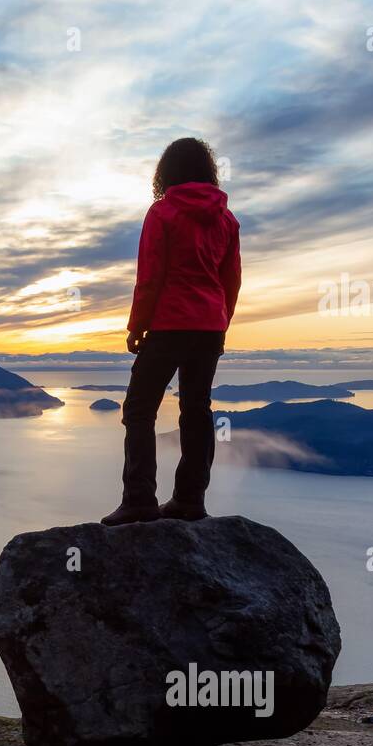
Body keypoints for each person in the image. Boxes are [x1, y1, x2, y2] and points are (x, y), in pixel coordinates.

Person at [102, 137, 241, 526]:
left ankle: (139, 500)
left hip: (169, 323)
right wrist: (221, 324)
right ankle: (190, 500)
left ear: (167, 173)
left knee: (139, 409)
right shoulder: (227, 219)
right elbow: (231, 281)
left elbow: (150, 276)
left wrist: (137, 326)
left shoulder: (162, 214)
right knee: (196, 410)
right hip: (209, 326)